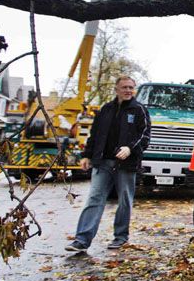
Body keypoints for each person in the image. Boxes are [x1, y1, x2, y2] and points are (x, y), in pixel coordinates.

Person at [65, 76, 151, 252]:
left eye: (131, 87)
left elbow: (145, 135)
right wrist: (87, 156)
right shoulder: (106, 109)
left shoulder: (139, 110)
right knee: (95, 198)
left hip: (126, 164)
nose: (128, 90)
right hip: (102, 162)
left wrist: (130, 149)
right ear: (116, 89)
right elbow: (95, 134)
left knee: (124, 200)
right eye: (125, 87)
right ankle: (81, 240)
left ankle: (120, 237)